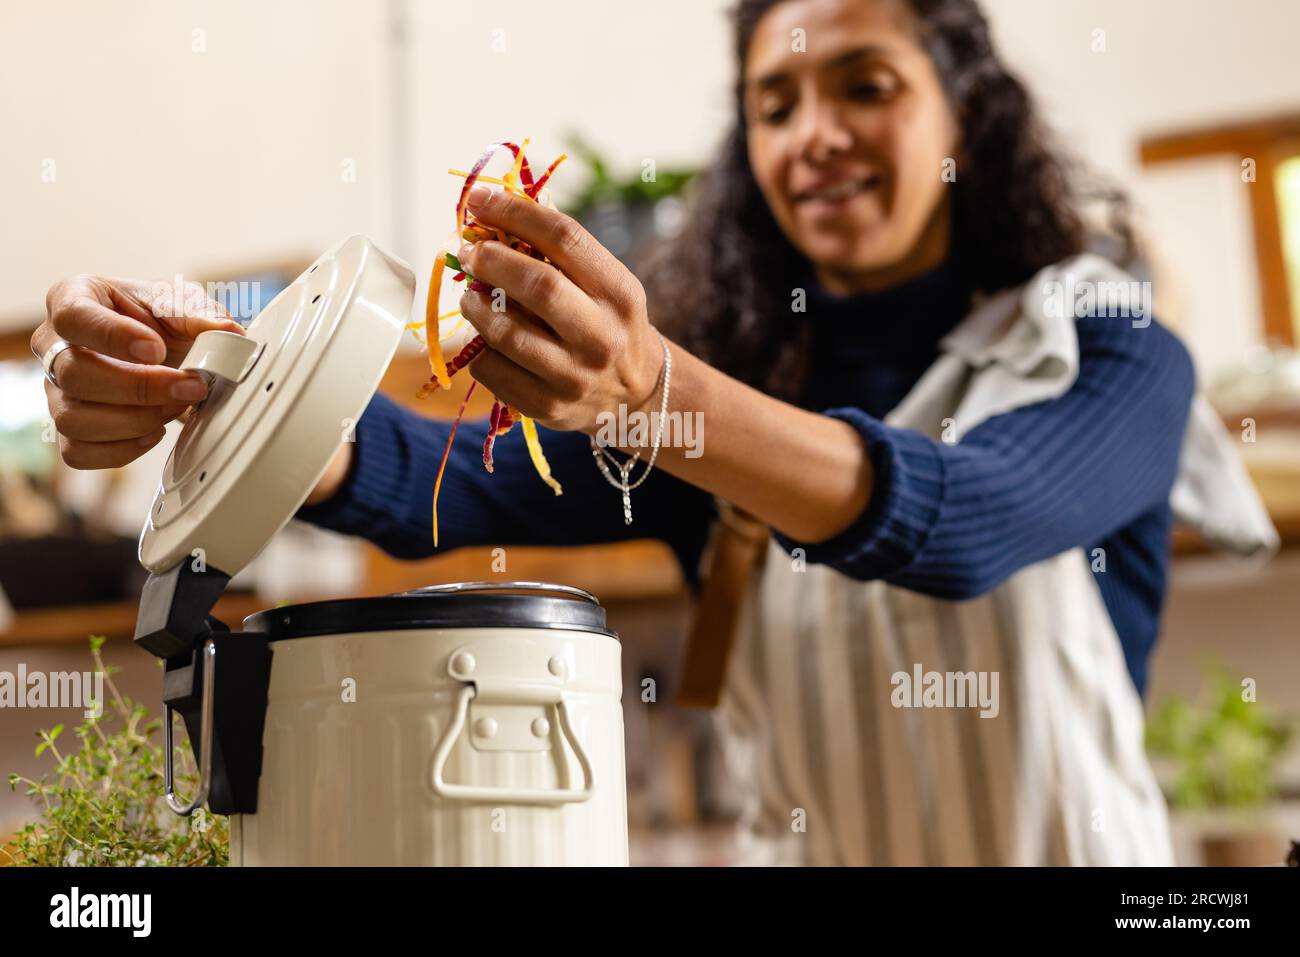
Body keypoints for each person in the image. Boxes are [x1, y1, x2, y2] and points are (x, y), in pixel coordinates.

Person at [31, 0, 1273, 864]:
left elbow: (966, 514)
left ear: (969, 118)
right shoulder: (723, 407)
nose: (815, 135)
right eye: (773, 104)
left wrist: (652, 399)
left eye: (866, 86)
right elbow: (450, 488)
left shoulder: (1108, 344)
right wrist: (219, 391)